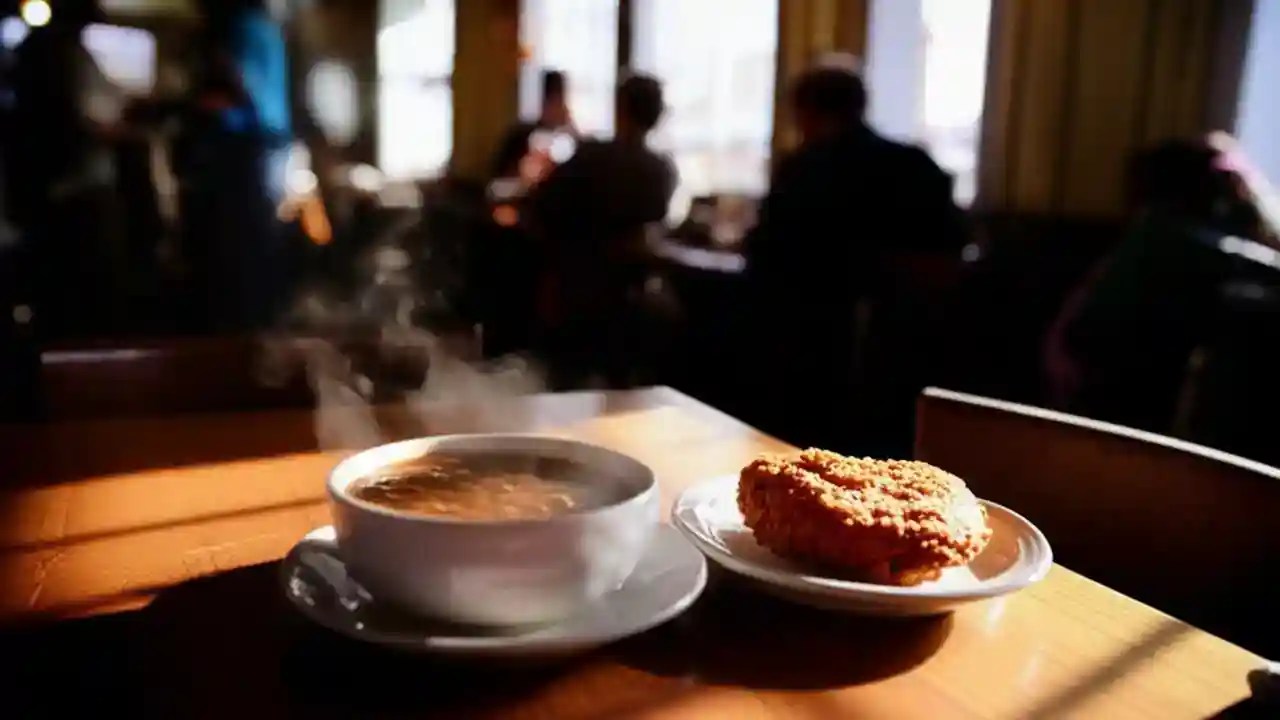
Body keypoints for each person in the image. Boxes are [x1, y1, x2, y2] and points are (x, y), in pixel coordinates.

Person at [741, 65, 966, 453]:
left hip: (814, 353)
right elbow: (955, 249)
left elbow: (764, 255)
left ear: (805, 112)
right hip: (909, 362)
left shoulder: (804, 169)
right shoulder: (914, 164)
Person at [527, 73, 677, 388]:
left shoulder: (591, 157)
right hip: (630, 296)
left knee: (566, 385)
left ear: (620, 108)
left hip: (576, 290)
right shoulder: (662, 169)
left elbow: (542, 205)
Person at [491, 70, 574, 181]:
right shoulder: (519, 138)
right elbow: (498, 183)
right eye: (551, 100)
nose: (558, 107)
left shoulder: (569, 140)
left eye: (559, 100)